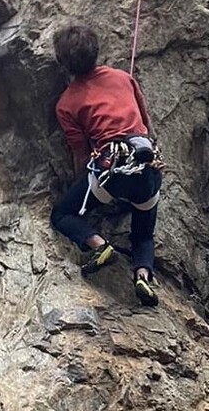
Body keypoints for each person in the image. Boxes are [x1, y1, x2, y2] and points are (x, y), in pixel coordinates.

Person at [49, 22, 162, 307]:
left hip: (109, 175)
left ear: (64, 63)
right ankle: (142, 275)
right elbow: (145, 125)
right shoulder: (123, 78)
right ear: (96, 51)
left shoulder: (66, 104)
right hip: (146, 170)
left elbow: (81, 152)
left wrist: (81, 183)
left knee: (62, 214)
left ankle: (99, 245)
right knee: (143, 232)